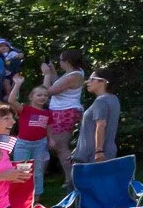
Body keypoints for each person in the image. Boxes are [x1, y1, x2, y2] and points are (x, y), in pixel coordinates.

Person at [40, 49, 89, 193]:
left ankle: (71, 179)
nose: (59, 62)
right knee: (57, 146)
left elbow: (47, 92)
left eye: (60, 60)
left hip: (65, 112)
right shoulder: (72, 74)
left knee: (60, 147)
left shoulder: (73, 76)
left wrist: (46, 74)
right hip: (61, 111)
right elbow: (58, 85)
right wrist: (53, 72)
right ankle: (70, 178)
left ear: (67, 61)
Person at [72, 67, 121, 165]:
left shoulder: (101, 101)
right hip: (106, 151)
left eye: (92, 79)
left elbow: (101, 126)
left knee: (87, 180)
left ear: (103, 82)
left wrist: (99, 151)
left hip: (93, 155)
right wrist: (79, 148)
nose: (87, 82)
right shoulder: (114, 99)